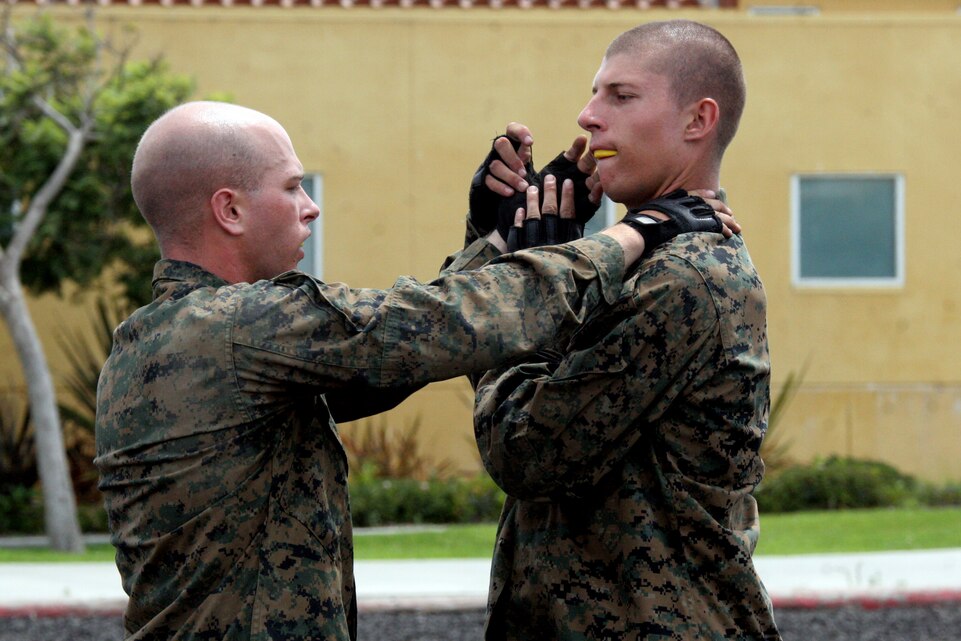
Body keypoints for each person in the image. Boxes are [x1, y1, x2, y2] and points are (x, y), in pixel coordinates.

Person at [94, 100, 727, 641]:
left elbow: (403, 353)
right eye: (291, 188)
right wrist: (637, 232)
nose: (310, 208)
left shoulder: (160, 340)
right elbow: (445, 324)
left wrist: (498, 238)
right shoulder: (241, 327)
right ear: (229, 210)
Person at [450, 20, 781, 640]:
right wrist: (497, 237)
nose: (588, 116)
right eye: (594, 93)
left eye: (621, 96)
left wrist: (534, 282)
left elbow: (524, 447)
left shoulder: (683, 278)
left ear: (698, 120)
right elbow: (491, 367)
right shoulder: (629, 262)